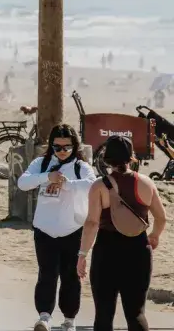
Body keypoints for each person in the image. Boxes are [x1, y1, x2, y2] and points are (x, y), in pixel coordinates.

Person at [78, 135, 166, 331]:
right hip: (138, 250)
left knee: (104, 314)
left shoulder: (99, 186)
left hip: (107, 251)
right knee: (136, 314)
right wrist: (154, 236)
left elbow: (92, 223)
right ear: (131, 157)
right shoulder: (146, 183)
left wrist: (82, 254)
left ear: (107, 157)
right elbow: (161, 217)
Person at [18, 124, 96, 331]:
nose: (62, 152)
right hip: (44, 229)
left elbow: (92, 184)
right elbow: (23, 182)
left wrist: (67, 183)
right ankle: (44, 316)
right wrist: (47, 177)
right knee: (46, 274)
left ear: (74, 146)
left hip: (72, 229)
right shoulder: (41, 163)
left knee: (71, 276)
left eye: (67, 147)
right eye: (57, 147)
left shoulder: (81, 166)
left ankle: (69, 319)